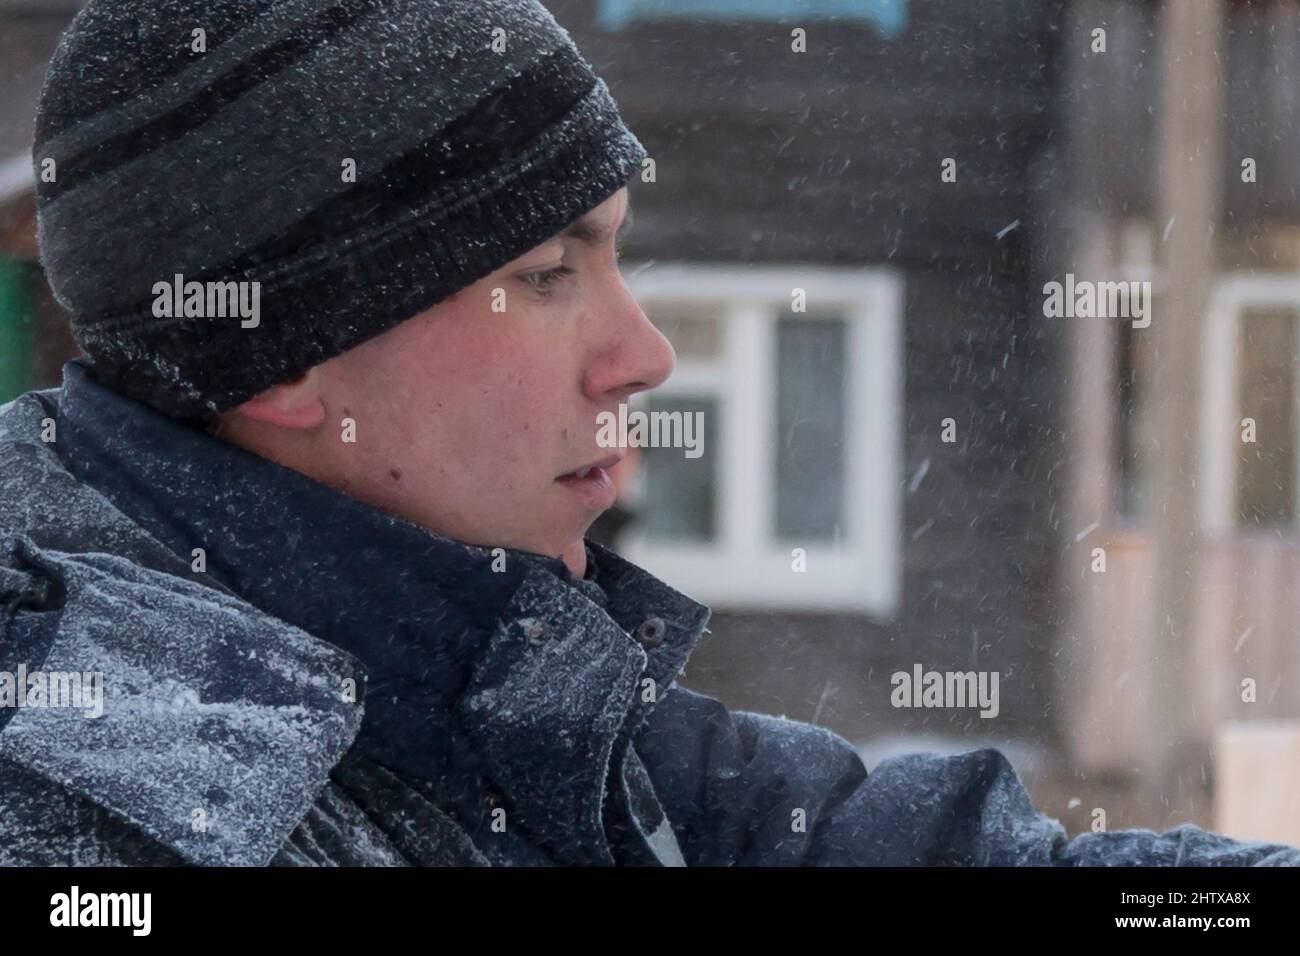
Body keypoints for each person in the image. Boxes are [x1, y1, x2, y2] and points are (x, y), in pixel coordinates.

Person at [0, 0, 1295, 867]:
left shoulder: (476, 689)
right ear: (283, 356)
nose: (646, 355)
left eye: (613, 261)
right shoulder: (108, 822)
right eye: (551, 276)